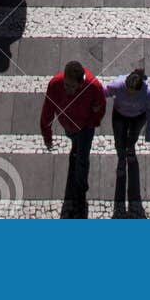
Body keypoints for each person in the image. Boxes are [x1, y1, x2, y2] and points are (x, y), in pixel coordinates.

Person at [40, 61, 107, 219]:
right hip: (68, 126)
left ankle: (80, 191)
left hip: (85, 127)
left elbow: (101, 107)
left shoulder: (93, 87)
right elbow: (47, 112)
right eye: (66, 84)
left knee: (82, 159)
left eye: (71, 86)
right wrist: (47, 135)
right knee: (75, 147)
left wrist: (92, 121)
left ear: (81, 82)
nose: (67, 89)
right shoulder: (55, 85)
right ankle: (75, 151)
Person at [105, 68, 150, 212]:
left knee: (132, 138)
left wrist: (149, 134)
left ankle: (130, 150)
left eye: (132, 93)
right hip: (119, 116)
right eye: (127, 90)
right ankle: (122, 159)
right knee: (119, 141)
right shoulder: (119, 84)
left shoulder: (147, 95)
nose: (128, 94)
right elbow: (105, 91)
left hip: (138, 118)